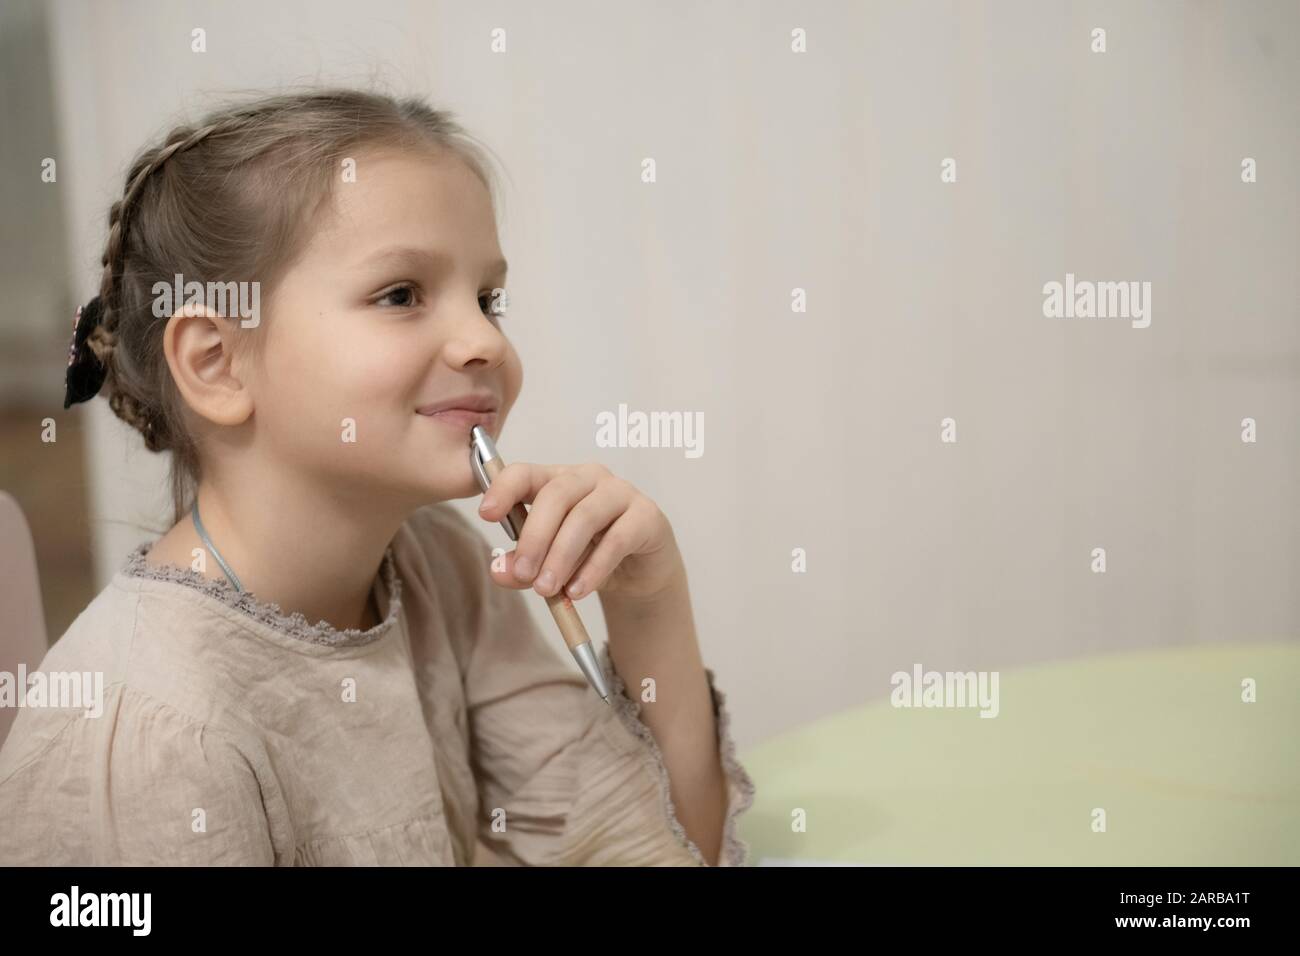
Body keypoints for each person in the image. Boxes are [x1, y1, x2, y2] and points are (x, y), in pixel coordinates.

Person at [0, 88, 754, 866]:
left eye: (488, 299)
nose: (483, 342)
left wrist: (649, 605)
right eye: (400, 294)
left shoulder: (441, 571)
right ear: (217, 364)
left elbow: (653, 855)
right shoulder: (154, 732)